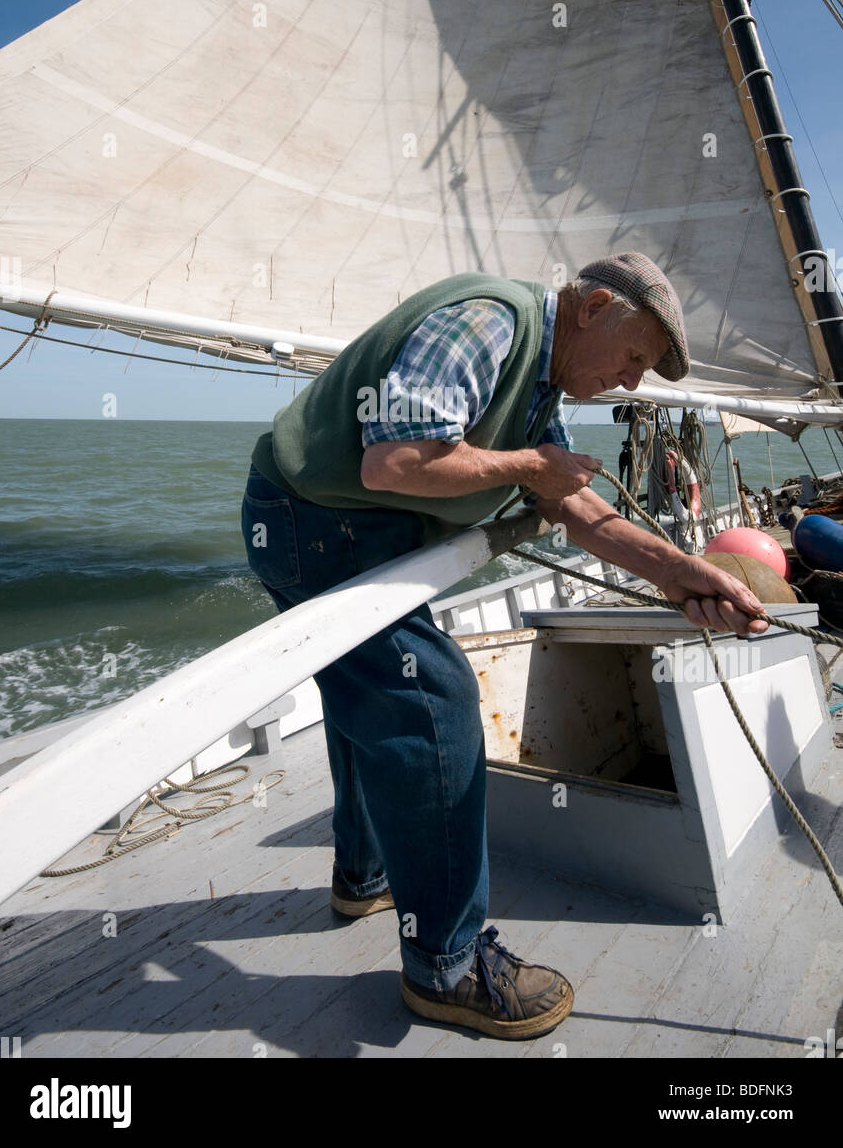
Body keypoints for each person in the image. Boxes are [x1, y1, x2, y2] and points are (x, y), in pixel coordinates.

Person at [240, 253, 768, 1040]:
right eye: (633, 357)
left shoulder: (536, 383)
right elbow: (397, 460)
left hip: (354, 526)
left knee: (369, 696)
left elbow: (573, 506)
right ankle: (446, 969)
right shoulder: (489, 323)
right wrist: (528, 463)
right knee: (431, 705)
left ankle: (364, 873)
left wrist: (676, 572)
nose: (630, 384)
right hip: (310, 525)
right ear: (591, 307)